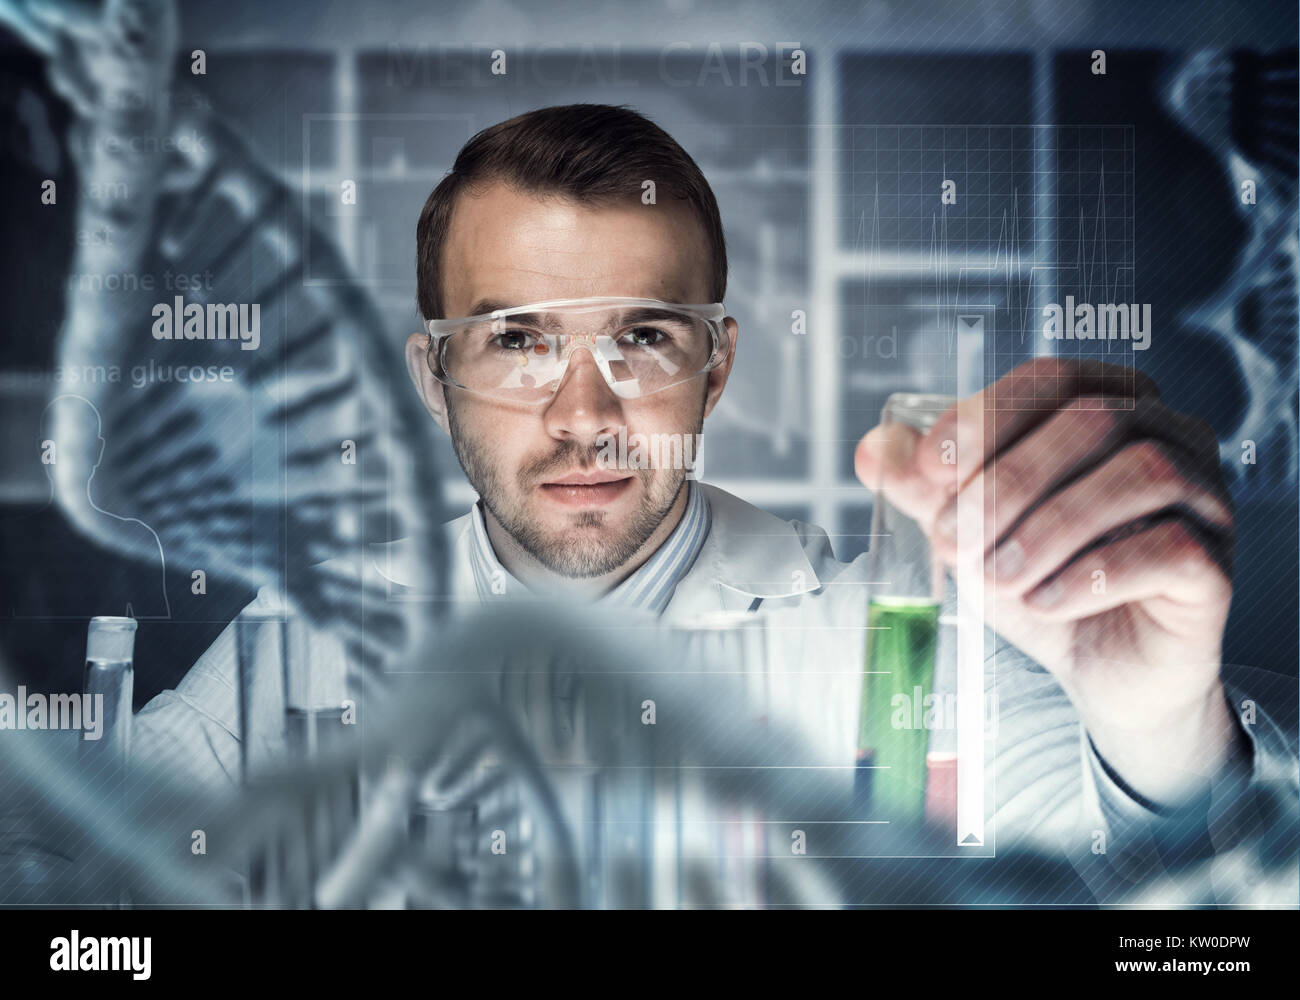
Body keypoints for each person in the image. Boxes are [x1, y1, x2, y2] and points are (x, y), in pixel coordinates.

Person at [133, 104, 1298, 902]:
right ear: (433, 381)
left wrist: (1161, 736)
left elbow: (1188, 915)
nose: (580, 413)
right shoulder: (296, 653)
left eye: (641, 337)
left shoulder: (895, 646)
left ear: (718, 364)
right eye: (516, 340)